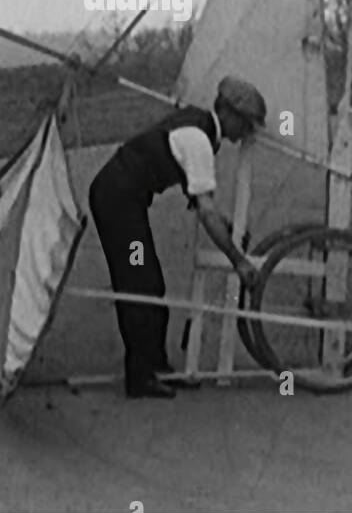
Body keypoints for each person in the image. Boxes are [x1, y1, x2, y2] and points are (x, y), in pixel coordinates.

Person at [88, 76, 267, 399]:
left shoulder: (198, 128)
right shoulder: (199, 141)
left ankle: (156, 367)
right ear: (230, 115)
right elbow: (206, 211)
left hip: (123, 199)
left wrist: (221, 220)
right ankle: (140, 378)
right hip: (117, 202)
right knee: (139, 284)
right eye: (247, 124)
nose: (248, 132)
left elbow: (198, 196)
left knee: (150, 284)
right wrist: (238, 261)